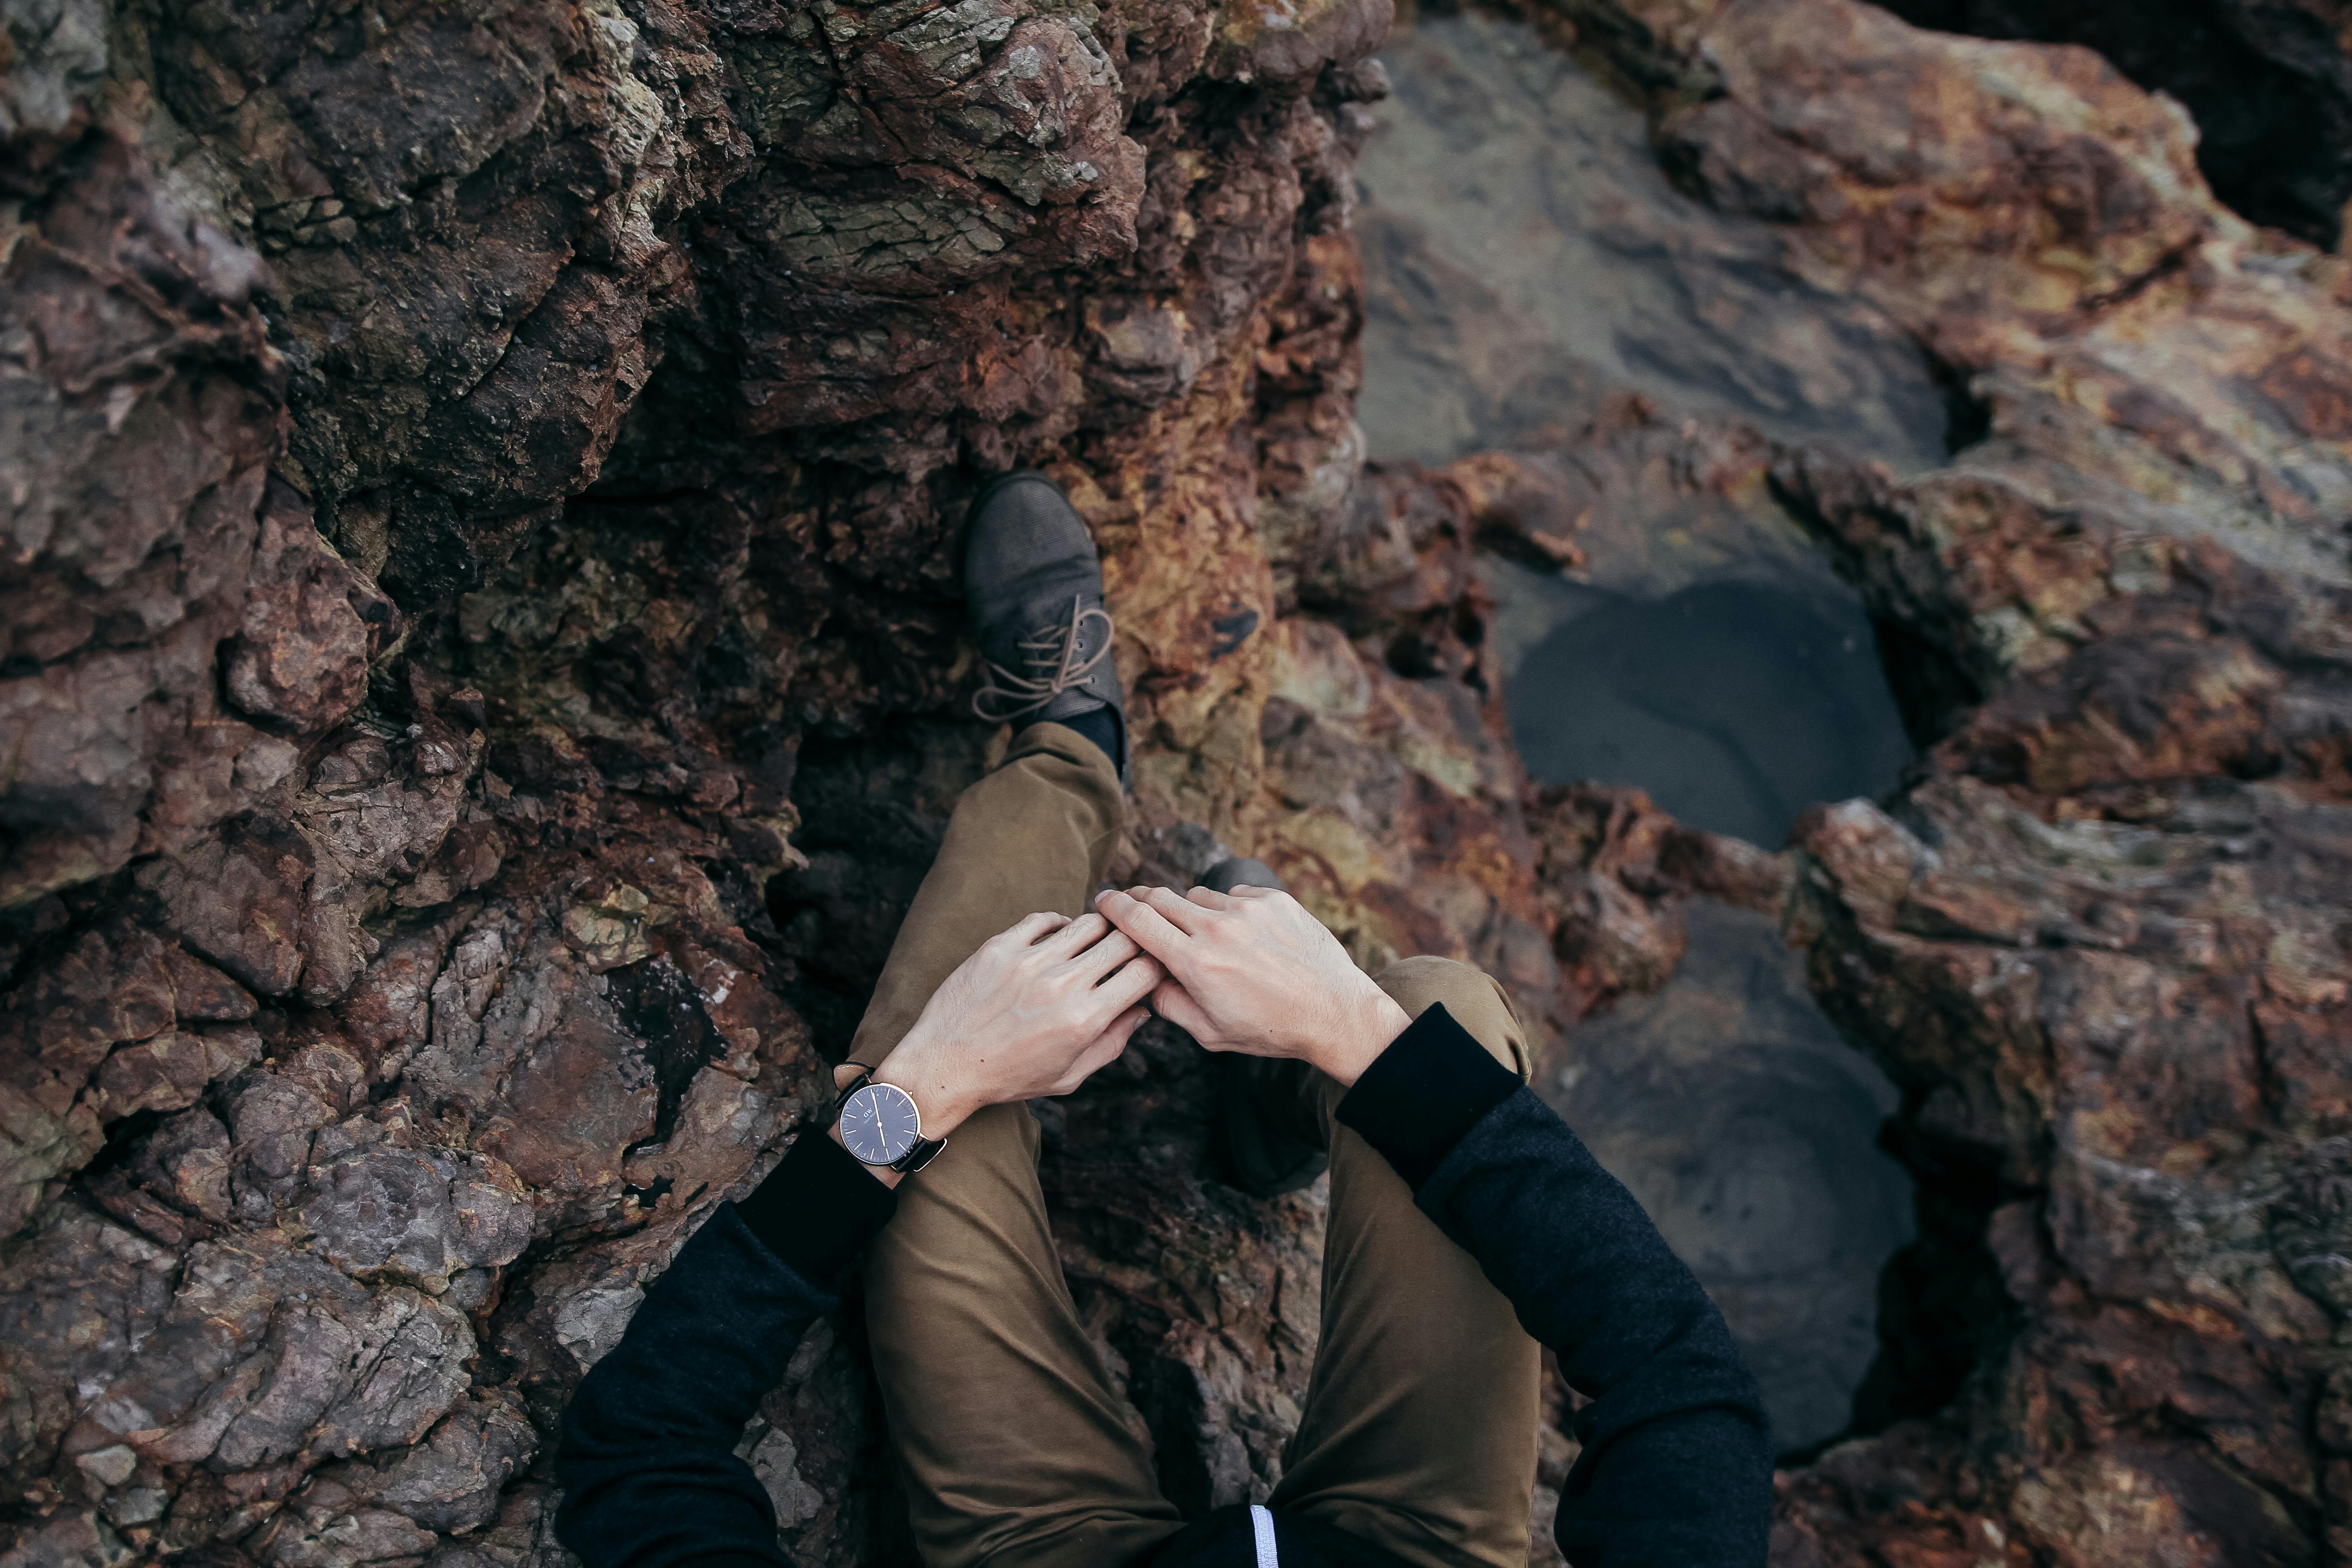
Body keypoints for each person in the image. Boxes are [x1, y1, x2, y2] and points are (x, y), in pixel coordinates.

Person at [555, 474, 1773, 1568]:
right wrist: (1346, 1035)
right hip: (1417, 1543)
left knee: (940, 1047)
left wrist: (908, 1104)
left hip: (1038, 1546)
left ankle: (1072, 756)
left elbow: (639, 1455)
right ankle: (1276, 1093)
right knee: (1432, 1012)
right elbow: (1684, 1393)